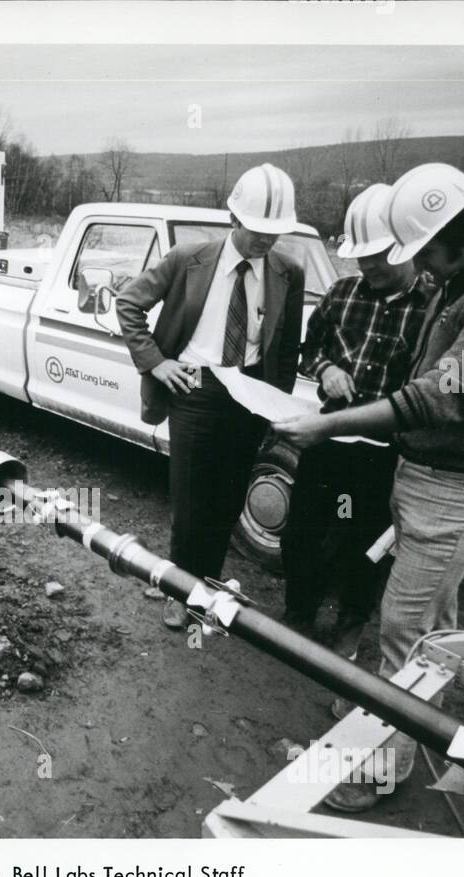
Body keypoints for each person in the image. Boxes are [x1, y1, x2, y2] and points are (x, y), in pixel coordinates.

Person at [274, 163, 464, 811]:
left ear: (460, 234)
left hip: (459, 491)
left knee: (402, 628)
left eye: (424, 251)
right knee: (434, 625)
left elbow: (443, 397)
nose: (423, 266)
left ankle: (374, 772)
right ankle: (421, 724)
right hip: (436, 482)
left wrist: (330, 427)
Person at [116, 164, 305, 629]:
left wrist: (273, 407)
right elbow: (128, 303)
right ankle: (179, 591)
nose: (265, 241)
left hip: (250, 394)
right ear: (234, 218)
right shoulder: (188, 259)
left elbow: (285, 348)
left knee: (226, 499)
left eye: (274, 233)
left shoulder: (289, 272)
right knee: (190, 496)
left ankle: (208, 587)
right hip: (195, 390)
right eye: (257, 230)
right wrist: (157, 362)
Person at [281, 183, 433, 661]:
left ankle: (350, 625)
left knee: (365, 546)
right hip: (329, 438)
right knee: (303, 529)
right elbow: (310, 350)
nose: (367, 268)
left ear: (406, 247)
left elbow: (434, 390)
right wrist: (326, 369)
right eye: (361, 258)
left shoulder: (434, 309)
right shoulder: (343, 293)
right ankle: (299, 612)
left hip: (387, 453)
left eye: (378, 257)